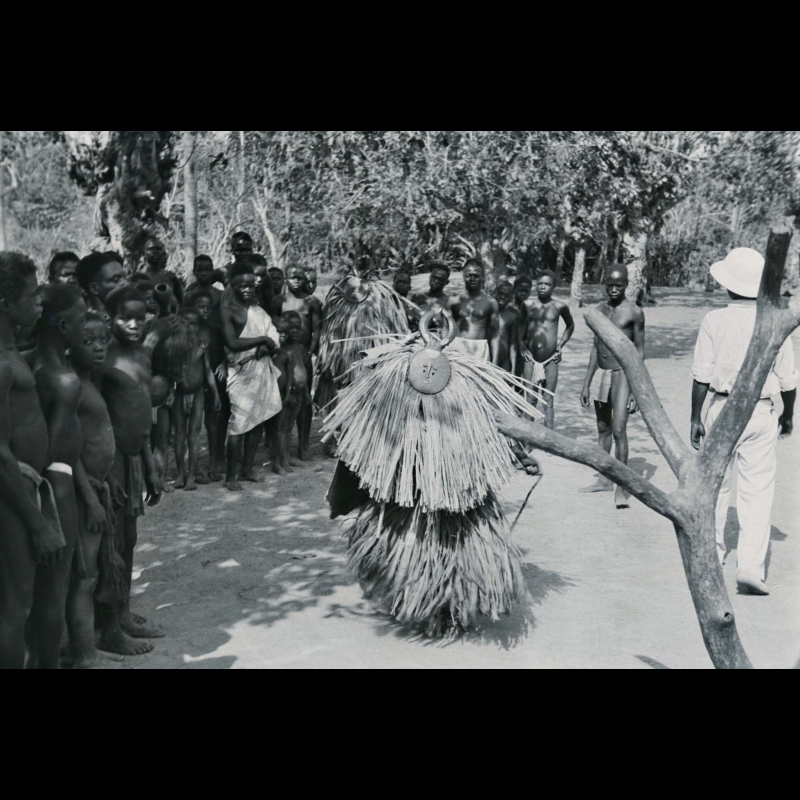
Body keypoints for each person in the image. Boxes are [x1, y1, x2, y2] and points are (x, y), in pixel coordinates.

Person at [690, 248, 797, 596]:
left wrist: (695, 416)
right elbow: (788, 379)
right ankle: (750, 567)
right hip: (760, 409)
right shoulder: (774, 319)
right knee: (757, 490)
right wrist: (789, 415)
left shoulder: (714, 320)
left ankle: (713, 554)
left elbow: (702, 376)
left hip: (721, 407)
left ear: (726, 285)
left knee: (715, 486)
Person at [0, 252, 66, 670]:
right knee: (15, 607)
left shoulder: (12, 352)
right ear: (5, 305)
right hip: (11, 497)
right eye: (31, 295)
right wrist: (39, 525)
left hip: (22, 488)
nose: (39, 302)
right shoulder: (2, 364)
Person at [100, 286, 166, 655]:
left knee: (129, 539)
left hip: (133, 460)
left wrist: (150, 462)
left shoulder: (141, 355)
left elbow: (140, 414)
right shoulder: (103, 360)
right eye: (126, 318)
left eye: (140, 318)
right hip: (109, 463)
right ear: (110, 319)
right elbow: (96, 417)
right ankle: (108, 627)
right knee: (110, 545)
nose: (134, 324)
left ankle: (123, 612)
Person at [31, 285, 87, 669]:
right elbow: (47, 451)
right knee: (54, 590)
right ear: (65, 325)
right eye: (83, 319)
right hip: (55, 483)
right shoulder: (64, 379)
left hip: (42, 481)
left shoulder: (28, 361)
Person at [66, 311, 116, 669]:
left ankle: (87, 648)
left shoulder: (89, 381)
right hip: (82, 495)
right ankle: (84, 655)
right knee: (83, 578)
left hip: (97, 489)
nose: (99, 347)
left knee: (90, 574)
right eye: (88, 341)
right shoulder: (72, 387)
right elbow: (68, 451)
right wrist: (89, 497)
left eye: (103, 339)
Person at [580, 266, 645, 509]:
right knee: (603, 428)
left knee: (619, 429)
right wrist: (586, 383)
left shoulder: (634, 312)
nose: (614, 289)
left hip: (622, 375)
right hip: (602, 374)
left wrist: (638, 390)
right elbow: (596, 348)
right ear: (604, 283)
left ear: (627, 284)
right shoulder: (598, 311)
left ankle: (621, 487)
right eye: (610, 284)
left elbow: (639, 351)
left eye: (619, 284)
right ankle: (604, 479)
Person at [220, 263, 282, 491]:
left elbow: (274, 338)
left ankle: (247, 469)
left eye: (250, 285)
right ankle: (230, 476)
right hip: (241, 372)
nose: (247, 289)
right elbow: (232, 343)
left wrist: (268, 345)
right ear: (233, 286)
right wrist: (261, 340)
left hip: (261, 369)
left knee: (257, 419)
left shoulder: (259, 311)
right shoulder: (228, 311)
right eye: (241, 285)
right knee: (238, 423)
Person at [271, 265, 322, 460]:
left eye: (299, 277)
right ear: (285, 278)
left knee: (303, 400)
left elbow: (316, 330)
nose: (295, 281)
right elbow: (273, 327)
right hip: (283, 356)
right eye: (291, 277)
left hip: (303, 355)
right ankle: (279, 449)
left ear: (304, 279)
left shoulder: (312, 302)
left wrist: (311, 351)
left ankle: (303, 445)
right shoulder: (278, 301)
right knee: (282, 398)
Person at [519, 269, 576, 429]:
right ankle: (527, 439)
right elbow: (520, 325)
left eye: (547, 284)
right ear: (536, 285)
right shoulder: (528, 305)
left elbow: (570, 325)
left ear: (554, 287)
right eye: (540, 284)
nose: (543, 287)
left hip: (551, 359)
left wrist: (560, 346)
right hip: (530, 359)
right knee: (529, 398)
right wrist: (522, 344)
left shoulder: (559, 306)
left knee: (548, 399)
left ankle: (550, 439)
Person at [173, 307, 221, 491]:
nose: (190, 328)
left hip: (199, 394)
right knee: (179, 435)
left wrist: (215, 393)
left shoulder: (202, 346)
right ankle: (180, 474)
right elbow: (174, 371)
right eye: (186, 324)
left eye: (194, 324)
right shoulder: (174, 346)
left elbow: (208, 370)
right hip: (179, 394)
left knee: (194, 435)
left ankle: (192, 475)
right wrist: (183, 390)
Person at [191, 292, 228, 482]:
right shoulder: (189, 330)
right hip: (194, 381)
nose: (205, 310)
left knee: (213, 422)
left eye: (208, 307)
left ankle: (214, 464)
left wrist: (223, 363)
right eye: (200, 306)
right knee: (193, 427)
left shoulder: (215, 329)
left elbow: (225, 350)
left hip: (214, 378)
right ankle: (194, 468)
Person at [270, 317, 305, 475]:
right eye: (281, 332)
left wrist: (291, 392)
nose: (284, 334)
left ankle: (285, 458)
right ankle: (277, 462)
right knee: (278, 429)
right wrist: (284, 394)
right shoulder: (271, 351)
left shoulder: (291, 351)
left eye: (286, 332)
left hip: (288, 394)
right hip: (276, 395)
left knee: (286, 427)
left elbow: (290, 375)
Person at [450, 260, 500, 363]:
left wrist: (494, 362)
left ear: (483, 277)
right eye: (469, 275)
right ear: (463, 276)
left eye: (476, 275)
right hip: (457, 347)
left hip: (479, 349)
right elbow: (446, 329)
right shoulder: (454, 300)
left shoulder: (490, 302)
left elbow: (495, 335)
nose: (472, 278)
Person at [76, 251, 129, 318]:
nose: (126, 283)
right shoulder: (87, 325)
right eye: (115, 280)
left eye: (124, 277)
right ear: (94, 289)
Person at [142, 237, 184, 305]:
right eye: (151, 249)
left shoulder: (170, 277)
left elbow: (180, 302)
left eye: (158, 249)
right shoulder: (136, 278)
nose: (155, 252)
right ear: (144, 253)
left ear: (163, 253)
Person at [494, 281, 520, 373]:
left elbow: (513, 345)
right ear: (494, 293)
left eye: (506, 295)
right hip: (487, 358)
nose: (502, 297)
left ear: (511, 298)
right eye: (500, 293)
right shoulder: (488, 313)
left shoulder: (511, 316)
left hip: (504, 360)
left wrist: (513, 368)